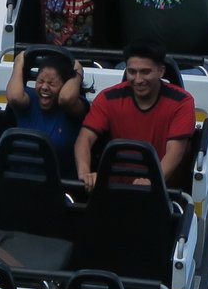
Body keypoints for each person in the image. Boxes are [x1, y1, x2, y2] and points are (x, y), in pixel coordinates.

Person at [77, 45, 198, 190]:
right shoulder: (107, 98)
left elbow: (175, 151)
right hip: (114, 188)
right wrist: (85, 174)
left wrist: (153, 181)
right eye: (132, 72)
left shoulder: (182, 102)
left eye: (145, 72)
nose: (138, 79)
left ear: (161, 71)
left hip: (162, 192)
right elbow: (84, 139)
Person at [2, 48, 88, 167]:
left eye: (52, 83)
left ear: (65, 85)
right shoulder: (30, 98)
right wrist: (18, 64)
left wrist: (77, 74)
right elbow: (14, 97)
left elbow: (66, 99)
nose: (44, 87)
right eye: (40, 81)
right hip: (22, 176)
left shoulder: (74, 104)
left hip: (59, 181)